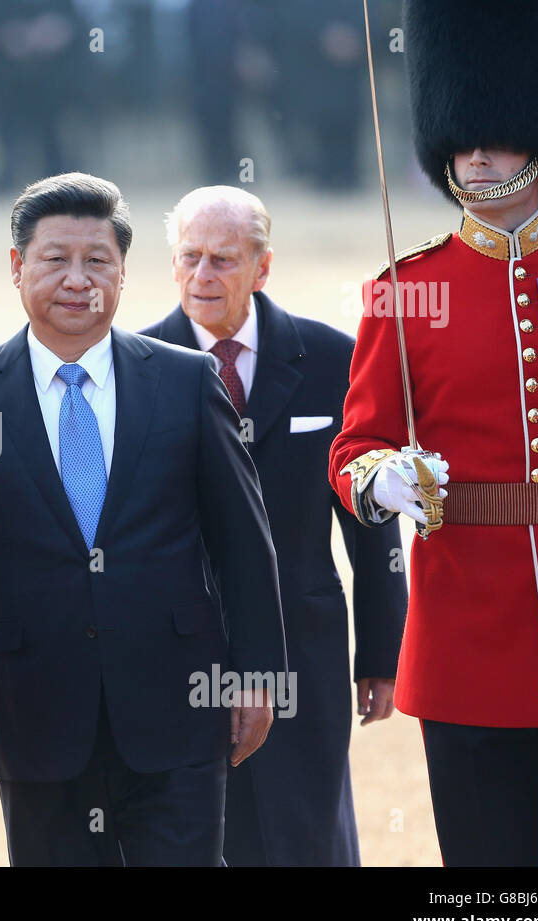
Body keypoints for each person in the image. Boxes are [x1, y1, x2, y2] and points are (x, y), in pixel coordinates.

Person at [0, 172, 286, 866]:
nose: (78, 279)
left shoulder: (183, 381)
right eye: (56, 259)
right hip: (38, 714)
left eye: (98, 261)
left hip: (179, 707)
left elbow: (242, 541)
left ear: (123, 272)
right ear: (17, 267)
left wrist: (256, 675)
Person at [329, 0, 538, 866]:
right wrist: (380, 479)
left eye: (499, 135)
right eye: (461, 138)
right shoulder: (406, 288)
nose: (476, 152)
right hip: (468, 638)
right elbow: (355, 442)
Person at [140, 186, 407, 866]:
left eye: (224, 260)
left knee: (307, 833)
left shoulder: (331, 359)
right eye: (190, 257)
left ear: (262, 268)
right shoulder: (135, 369)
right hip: (179, 652)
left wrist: (381, 652)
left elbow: (370, 522)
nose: (204, 276)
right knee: (196, 836)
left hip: (304, 648)